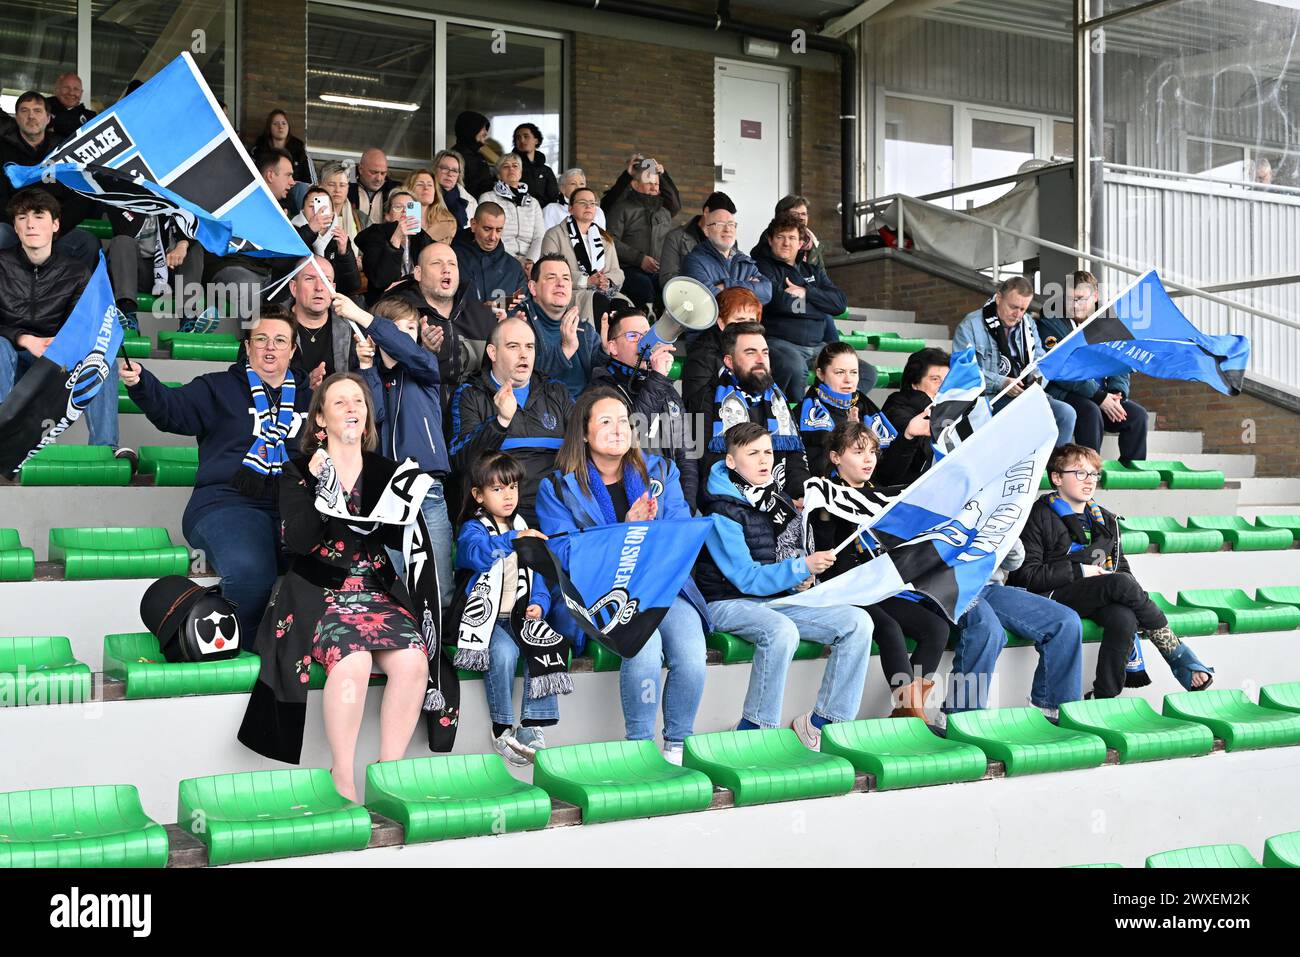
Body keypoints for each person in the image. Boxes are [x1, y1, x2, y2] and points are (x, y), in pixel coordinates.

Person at [238, 373, 434, 801]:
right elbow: (299, 542)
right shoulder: (297, 471)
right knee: (354, 662)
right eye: (339, 402)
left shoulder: (387, 470)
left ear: (367, 420)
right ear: (320, 419)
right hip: (319, 591)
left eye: (358, 402)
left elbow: (401, 540)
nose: (350, 408)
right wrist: (319, 486)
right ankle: (342, 776)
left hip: (377, 589)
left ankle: (389, 775)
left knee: (414, 663)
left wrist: (410, 502)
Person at [118, 305, 313, 642]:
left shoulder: (312, 398)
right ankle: (249, 664)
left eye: (280, 340)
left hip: (292, 505)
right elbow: (173, 411)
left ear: (293, 350)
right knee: (251, 574)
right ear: (247, 346)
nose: (270, 347)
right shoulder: (218, 387)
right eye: (261, 339)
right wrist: (142, 383)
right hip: (227, 504)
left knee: (327, 568)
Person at [536, 388, 709, 763]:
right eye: (605, 421)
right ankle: (640, 750)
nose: (618, 429)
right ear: (583, 433)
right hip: (600, 596)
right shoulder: (556, 486)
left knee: (693, 655)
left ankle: (678, 748)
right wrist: (624, 532)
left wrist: (646, 534)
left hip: (662, 586)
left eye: (624, 421)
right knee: (644, 650)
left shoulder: (662, 471)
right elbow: (565, 553)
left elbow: (680, 535)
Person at [695, 423, 873, 749]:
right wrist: (799, 568)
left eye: (767, 452)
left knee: (857, 622)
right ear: (732, 462)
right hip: (727, 601)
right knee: (780, 631)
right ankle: (755, 731)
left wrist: (800, 579)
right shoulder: (720, 509)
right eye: (753, 454)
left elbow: (786, 557)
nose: (763, 460)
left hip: (774, 598)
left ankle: (824, 725)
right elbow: (746, 577)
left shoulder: (776, 498)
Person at [1010, 443, 1213, 698]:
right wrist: (1081, 571)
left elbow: (1121, 569)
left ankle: (1104, 697)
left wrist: (1121, 590)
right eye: (1080, 473)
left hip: (1093, 593)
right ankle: (1176, 654)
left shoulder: (1104, 519)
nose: (1090, 481)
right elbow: (1025, 576)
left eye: (1094, 474)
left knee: (1124, 617)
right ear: (1057, 477)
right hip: (1049, 596)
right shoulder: (1037, 515)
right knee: (1121, 585)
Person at [807, 422, 951, 717]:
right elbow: (824, 558)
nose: (869, 459)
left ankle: (908, 709)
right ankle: (912, 713)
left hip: (878, 586)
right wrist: (823, 519)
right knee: (887, 627)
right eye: (859, 452)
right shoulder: (824, 496)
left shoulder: (881, 496)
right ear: (836, 457)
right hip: (842, 588)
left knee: (937, 628)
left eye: (872, 451)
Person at [336, 295, 454, 604]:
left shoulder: (424, 365)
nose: (407, 335)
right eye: (398, 328)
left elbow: (405, 350)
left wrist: (362, 316)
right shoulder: (369, 376)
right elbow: (374, 418)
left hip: (426, 485)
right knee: (394, 585)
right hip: (387, 491)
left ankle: (440, 650)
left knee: (438, 584)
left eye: (412, 329)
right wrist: (366, 367)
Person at [0, 188, 126, 462]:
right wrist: (24, 339)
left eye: (38, 216)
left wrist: (59, 344)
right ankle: (4, 444)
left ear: (55, 225)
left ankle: (105, 449)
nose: (30, 224)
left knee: (103, 357)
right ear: (15, 227)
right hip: (11, 356)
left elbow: (83, 328)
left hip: (57, 359)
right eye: (22, 218)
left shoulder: (76, 272)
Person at [452, 451, 558, 764]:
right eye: (497, 489)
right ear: (478, 495)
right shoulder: (474, 528)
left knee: (544, 643)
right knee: (503, 654)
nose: (508, 495)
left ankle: (532, 723)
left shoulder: (525, 525)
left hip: (519, 616)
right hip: (487, 620)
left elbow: (540, 578)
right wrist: (515, 539)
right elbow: (478, 554)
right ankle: (502, 726)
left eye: (512, 487)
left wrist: (539, 603)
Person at [450, 316, 572, 524]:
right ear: (493, 353)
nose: (524, 354)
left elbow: (584, 440)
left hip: (557, 508)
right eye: (513, 346)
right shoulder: (471, 394)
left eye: (529, 347)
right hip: (500, 516)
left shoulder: (555, 391)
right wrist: (501, 422)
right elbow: (460, 461)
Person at [587, 304, 694, 504]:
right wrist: (659, 378)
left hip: (670, 496)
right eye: (633, 336)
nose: (644, 342)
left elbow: (685, 452)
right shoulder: (601, 388)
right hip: (629, 498)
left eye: (647, 335)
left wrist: (685, 504)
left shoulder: (664, 387)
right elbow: (633, 431)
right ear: (613, 347)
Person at [952, 275, 1076, 448]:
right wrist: (1001, 383)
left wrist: (1037, 380)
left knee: (1066, 414)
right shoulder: (970, 326)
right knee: (1026, 416)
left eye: (1023, 309)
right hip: (988, 399)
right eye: (1013, 307)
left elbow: (1041, 361)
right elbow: (962, 373)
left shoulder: (1028, 323)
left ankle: (1051, 471)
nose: (1017, 314)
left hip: (1025, 395)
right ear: (999, 298)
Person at [697, 321, 810, 507]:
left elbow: (795, 459)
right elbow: (711, 466)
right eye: (750, 352)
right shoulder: (707, 399)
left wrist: (800, 495)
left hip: (784, 502)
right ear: (729, 361)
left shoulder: (778, 398)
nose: (761, 359)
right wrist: (773, 500)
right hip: (733, 504)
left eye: (765, 353)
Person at [1040, 270, 1148, 464]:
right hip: (1066, 393)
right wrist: (1100, 397)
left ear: (1095, 297)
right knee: (1091, 411)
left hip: (1103, 396)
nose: (1074, 305)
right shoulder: (1051, 323)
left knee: (1138, 416)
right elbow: (1061, 369)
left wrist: (1116, 394)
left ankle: (1133, 472)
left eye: (1080, 299)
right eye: (1070, 299)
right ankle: (1089, 471)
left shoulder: (1107, 324)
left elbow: (1120, 362)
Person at [753, 211, 848, 401]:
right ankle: (797, 422)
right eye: (780, 237)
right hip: (781, 343)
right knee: (794, 368)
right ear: (770, 240)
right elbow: (779, 303)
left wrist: (808, 292)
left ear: (800, 243)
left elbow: (839, 304)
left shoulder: (812, 270)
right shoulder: (762, 267)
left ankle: (830, 414)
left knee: (864, 371)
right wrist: (820, 308)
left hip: (817, 345)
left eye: (792, 238)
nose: (786, 243)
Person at [0, 92, 99, 266]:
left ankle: (74, 294)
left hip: (55, 229)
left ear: (48, 118)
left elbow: (80, 196)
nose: (31, 116)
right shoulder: (2, 149)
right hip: (14, 228)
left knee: (87, 244)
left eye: (37, 111)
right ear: (16, 118)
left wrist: (54, 227)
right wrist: (21, 225)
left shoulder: (64, 151)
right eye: (24, 110)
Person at [105, 203, 212, 334]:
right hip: (138, 274)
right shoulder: (122, 196)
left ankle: (189, 320)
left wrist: (182, 244)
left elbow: (193, 223)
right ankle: (128, 315)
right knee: (121, 241)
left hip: (172, 270)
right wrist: (147, 202)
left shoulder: (173, 195)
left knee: (193, 247)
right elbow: (124, 228)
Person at [798, 341, 890, 478]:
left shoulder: (866, 408)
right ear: (820, 374)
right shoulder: (805, 413)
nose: (848, 380)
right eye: (840, 372)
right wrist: (847, 435)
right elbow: (814, 468)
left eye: (854, 372)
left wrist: (908, 437)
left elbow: (889, 473)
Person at [539, 186, 625, 325]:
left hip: (604, 292)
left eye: (592, 203)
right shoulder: (554, 234)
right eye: (582, 202)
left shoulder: (605, 238)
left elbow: (618, 272)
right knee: (598, 301)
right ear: (570, 208)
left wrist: (607, 281)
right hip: (571, 293)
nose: (588, 206)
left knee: (622, 305)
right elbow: (549, 272)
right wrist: (587, 281)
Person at [523, 253, 601, 399]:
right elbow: (525, 383)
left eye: (566, 278)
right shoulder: (521, 325)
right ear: (533, 288)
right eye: (551, 278)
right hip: (541, 414)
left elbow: (603, 378)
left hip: (584, 412)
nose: (561, 283)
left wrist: (608, 352)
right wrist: (565, 350)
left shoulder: (584, 330)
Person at [682, 285, 762, 415]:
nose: (747, 327)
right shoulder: (702, 356)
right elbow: (697, 410)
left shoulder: (758, 353)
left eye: (752, 321)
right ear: (721, 323)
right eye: (739, 320)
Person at [875, 347, 949, 486]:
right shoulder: (897, 410)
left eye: (947, 380)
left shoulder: (947, 411)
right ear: (914, 383)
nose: (943, 386)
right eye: (935, 379)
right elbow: (890, 474)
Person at [606, 161, 675, 308]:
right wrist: (639, 259)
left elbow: (675, 203)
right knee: (644, 289)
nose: (654, 187)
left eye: (657, 183)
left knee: (671, 291)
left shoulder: (664, 212)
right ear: (635, 185)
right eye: (649, 183)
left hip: (659, 271)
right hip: (628, 269)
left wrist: (663, 176)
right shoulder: (622, 208)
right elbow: (610, 240)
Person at [680, 207, 772, 310]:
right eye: (720, 224)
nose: (727, 229)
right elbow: (708, 300)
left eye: (731, 224)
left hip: (743, 325)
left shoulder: (745, 261)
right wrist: (749, 289)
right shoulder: (694, 261)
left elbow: (767, 292)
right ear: (706, 230)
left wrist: (725, 285)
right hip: (713, 326)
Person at [289, 255, 358, 389]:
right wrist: (304, 387)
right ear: (294, 287)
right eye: (309, 279)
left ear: (333, 288)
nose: (319, 287)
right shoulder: (272, 325)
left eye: (326, 280)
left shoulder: (353, 326)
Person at [354, 189, 428, 304]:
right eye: (398, 207)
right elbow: (381, 280)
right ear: (387, 215)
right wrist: (397, 237)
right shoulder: (374, 236)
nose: (404, 212)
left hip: (417, 301)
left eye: (410, 207)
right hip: (385, 302)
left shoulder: (423, 238)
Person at [452, 202, 529, 308]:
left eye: (498, 230)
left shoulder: (514, 267)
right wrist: (481, 311)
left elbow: (522, 301)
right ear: (473, 225)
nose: (493, 237)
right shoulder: (452, 259)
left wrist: (499, 307)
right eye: (487, 229)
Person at [291, 185, 362, 297]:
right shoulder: (292, 232)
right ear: (303, 210)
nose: (317, 211)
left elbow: (352, 286)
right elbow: (281, 264)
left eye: (323, 207)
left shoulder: (339, 237)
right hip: (298, 298)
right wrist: (310, 230)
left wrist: (344, 254)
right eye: (311, 206)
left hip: (330, 300)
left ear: (333, 212)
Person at [481, 154, 545, 274]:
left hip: (530, 262)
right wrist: (514, 260)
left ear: (520, 173)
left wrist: (531, 261)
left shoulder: (533, 202)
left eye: (515, 166)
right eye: (506, 166)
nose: (511, 169)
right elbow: (487, 234)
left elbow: (539, 236)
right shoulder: (488, 198)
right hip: (500, 259)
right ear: (498, 174)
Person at [659, 191, 736, 286]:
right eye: (721, 221)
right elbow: (667, 279)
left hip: (724, 299)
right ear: (706, 212)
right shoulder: (675, 238)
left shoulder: (728, 240)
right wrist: (708, 289)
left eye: (730, 222)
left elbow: (738, 276)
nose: (727, 228)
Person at [601, 153, 682, 217]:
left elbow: (674, 206)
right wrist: (627, 176)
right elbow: (608, 206)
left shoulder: (658, 204)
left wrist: (661, 175)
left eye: (643, 164)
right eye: (635, 165)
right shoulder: (622, 192)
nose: (640, 167)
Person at [250, 109, 314, 189]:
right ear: (269, 128)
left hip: (293, 191)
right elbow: (250, 178)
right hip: (266, 191)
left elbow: (311, 183)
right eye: (275, 124)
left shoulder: (299, 151)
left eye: (284, 123)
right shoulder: (258, 150)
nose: (280, 127)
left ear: (288, 127)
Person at [403, 167, 459, 245]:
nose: (426, 188)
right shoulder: (399, 215)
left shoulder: (448, 221)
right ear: (409, 189)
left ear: (435, 191)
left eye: (430, 185)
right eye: (420, 184)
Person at [317, 161, 369, 243]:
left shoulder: (362, 219)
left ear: (348, 187)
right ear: (320, 186)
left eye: (342, 185)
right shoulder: (310, 215)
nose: (337, 190)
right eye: (331, 184)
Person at [511, 122, 560, 208]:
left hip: (542, 215)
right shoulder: (510, 167)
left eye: (526, 136)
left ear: (536, 140)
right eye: (518, 138)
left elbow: (553, 198)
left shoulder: (546, 171)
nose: (522, 140)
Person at [348, 148, 400, 226]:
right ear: (360, 169)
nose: (379, 179)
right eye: (373, 172)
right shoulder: (346, 188)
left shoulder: (395, 191)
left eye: (383, 173)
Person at [451, 110, 496, 199]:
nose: (486, 133)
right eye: (482, 128)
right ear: (471, 129)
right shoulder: (454, 157)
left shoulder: (478, 156)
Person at [433, 149, 477, 231]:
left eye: (454, 170)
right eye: (445, 168)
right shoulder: (425, 195)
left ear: (459, 175)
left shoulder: (471, 201)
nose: (450, 174)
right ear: (435, 169)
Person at [45, 72, 96, 140]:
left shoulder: (91, 117)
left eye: (76, 89)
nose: (71, 93)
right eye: (66, 88)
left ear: (81, 93)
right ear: (57, 90)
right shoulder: (42, 109)